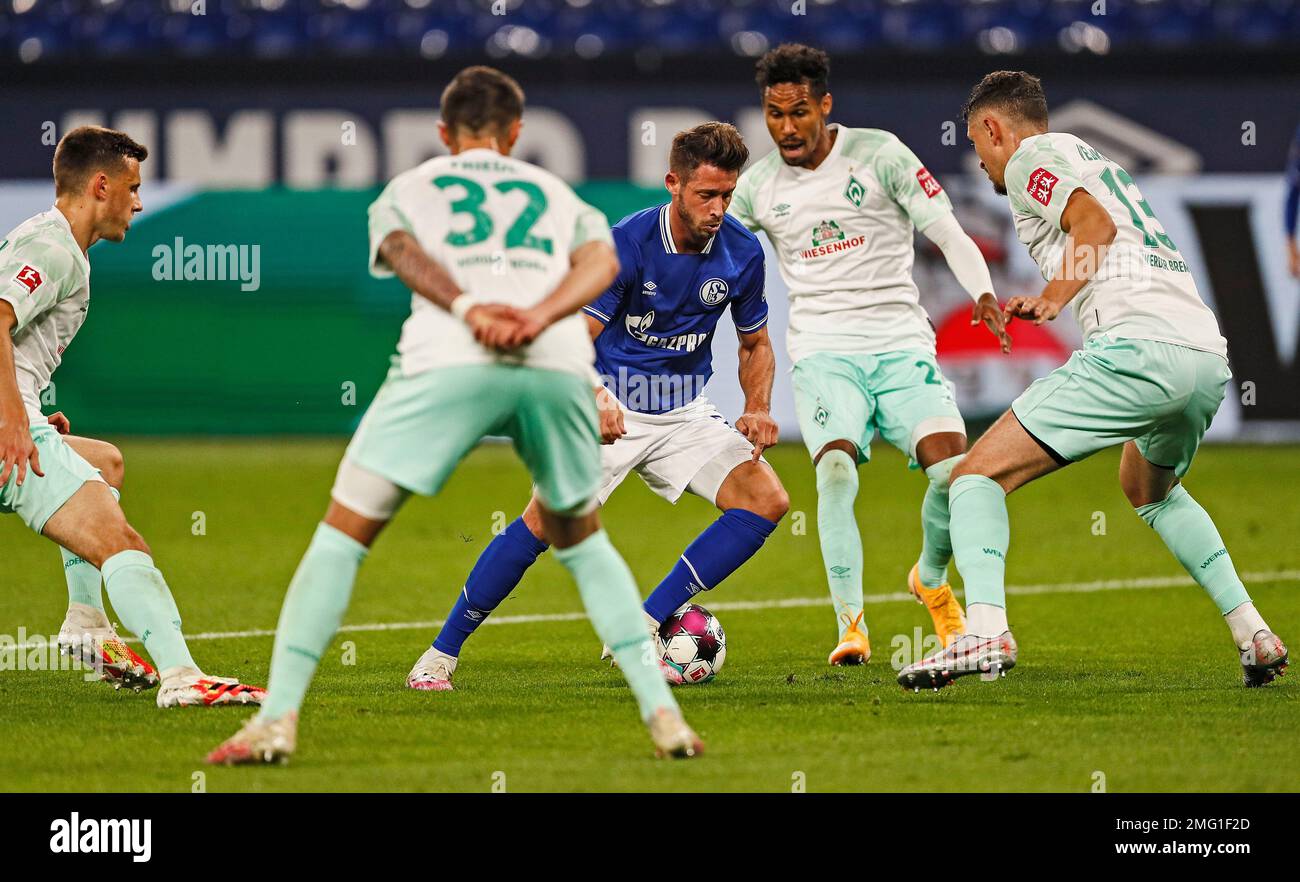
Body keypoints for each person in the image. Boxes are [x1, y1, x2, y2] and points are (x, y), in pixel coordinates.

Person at [208, 66, 702, 765]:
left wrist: (471, 308)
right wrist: (539, 315)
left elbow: (403, 253)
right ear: (516, 134)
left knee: (343, 533)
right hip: (553, 362)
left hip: (447, 357)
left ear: (444, 134)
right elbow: (602, 263)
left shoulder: (409, 187)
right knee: (582, 540)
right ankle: (664, 719)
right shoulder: (556, 192)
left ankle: (277, 721)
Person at [899, 70, 1288, 691]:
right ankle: (1254, 633)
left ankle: (985, 631)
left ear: (995, 128)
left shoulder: (1030, 160)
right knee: (1148, 487)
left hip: (1135, 351)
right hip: (1203, 355)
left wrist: (1053, 298)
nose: (983, 163)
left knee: (976, 476)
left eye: (978, 145)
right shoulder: (1090, 156)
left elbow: (1095, 227)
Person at [406, 122, 788, 692]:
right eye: (706, 194)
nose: (718, 208)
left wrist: (757, 405)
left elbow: (755, 343)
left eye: (727, 195)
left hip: (683, 411)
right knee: (542, 524)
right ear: (672, 184)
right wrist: (594, 398)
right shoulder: (626, 245)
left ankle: (643, 620)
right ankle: (440, 655)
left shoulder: (742, 250)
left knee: (766, 501)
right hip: (609, 407)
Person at [729, 44, 1009, 665]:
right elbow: (712, 251)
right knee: (833, 474)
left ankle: (931, 580)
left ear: (825, 106)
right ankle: (851, 627)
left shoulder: (880, 154)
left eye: (799, 111)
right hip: (824, 353)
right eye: (774, 115)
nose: (786, 128)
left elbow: (945, 230)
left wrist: (983, 293)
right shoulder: (758, 187)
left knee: (953, 475)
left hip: (901, 344)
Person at [0, 125, 264, 706]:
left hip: (15, 417)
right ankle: (183, 678)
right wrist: (15, 419)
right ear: (101, 185)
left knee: (106, 464)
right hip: (4, 431)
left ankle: (87, 625)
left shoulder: (58, 245)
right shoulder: (52, 248)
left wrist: (28, 405)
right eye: (133, 187)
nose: (139, 202)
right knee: (122, 544)